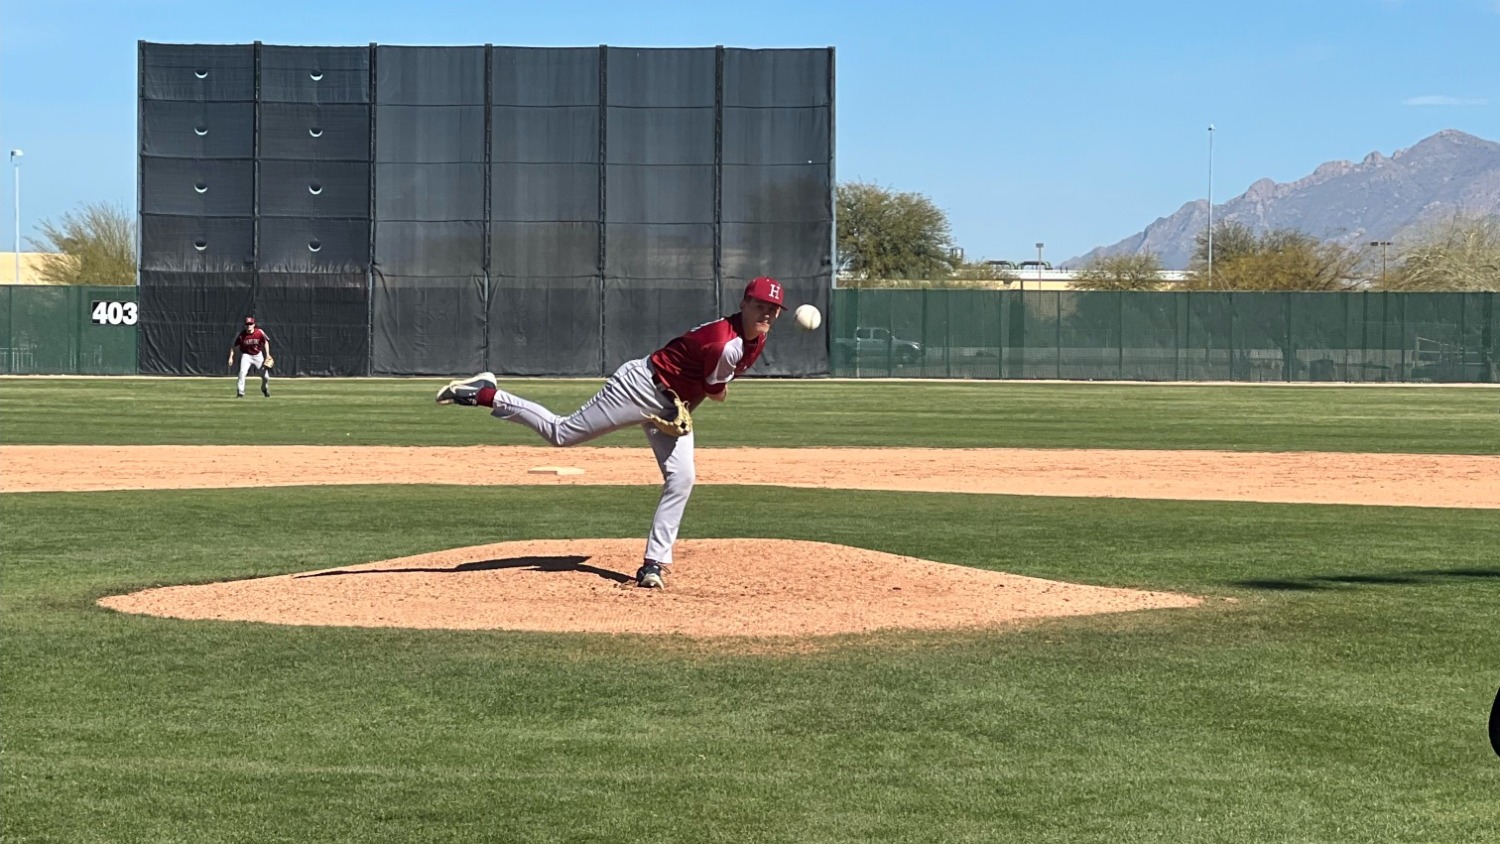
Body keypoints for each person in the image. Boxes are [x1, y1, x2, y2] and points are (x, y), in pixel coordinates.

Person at [436, 276, 786, 588]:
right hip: (640, 387)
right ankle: (486, 393)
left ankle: (653, 564)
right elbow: (717, 392)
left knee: (682, 478)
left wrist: (686, 406)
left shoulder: (755, 336)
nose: (767, 314)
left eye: (773, 309)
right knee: (563, 433)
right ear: (743, 304)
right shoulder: (727, 344)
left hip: (672, 402)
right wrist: (700, 398)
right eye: (760, 306)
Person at [228, 316, 273, 398]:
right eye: (247, 324)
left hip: (258, 355)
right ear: (245, 325)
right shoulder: (242, 335)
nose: (249, 326)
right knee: (242, 372)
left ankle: (264, 389)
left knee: (265, 377)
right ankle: (240, 392)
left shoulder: (259, 332)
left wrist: (268, 355)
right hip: (246, 355)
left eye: (250, 324)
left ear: (254, 324)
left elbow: (266, 342)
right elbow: (234, 346)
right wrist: (231, 357)